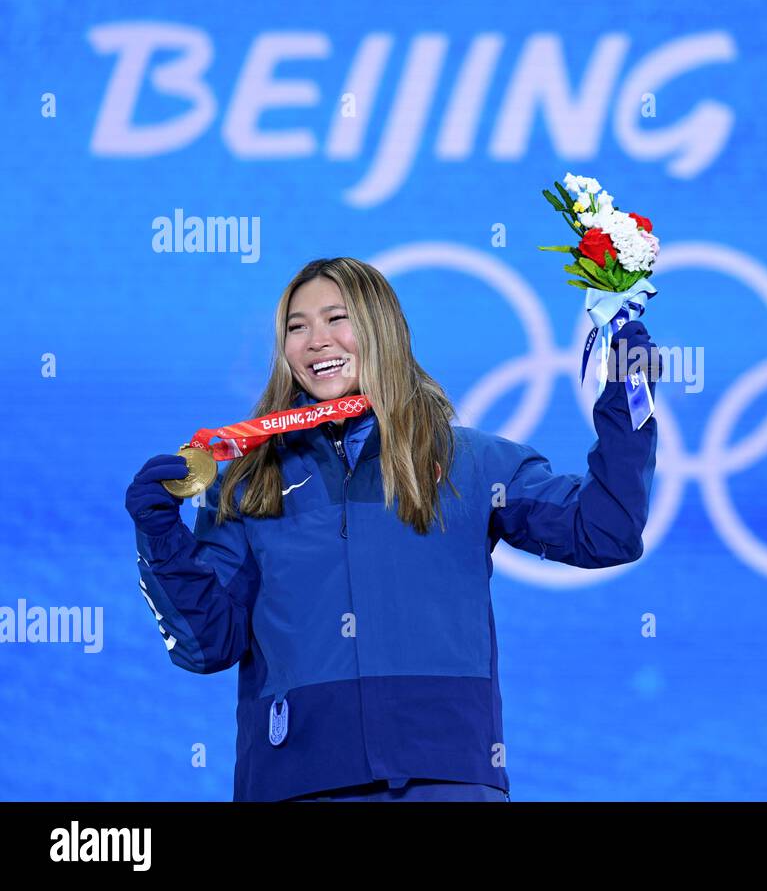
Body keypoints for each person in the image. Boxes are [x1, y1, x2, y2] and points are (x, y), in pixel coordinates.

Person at [124, 257, 657, 802]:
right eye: (296, 327)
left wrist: (629, 381)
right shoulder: (249, 482)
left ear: (381, 328)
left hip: (444, 778)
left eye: (337, 318)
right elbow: (207, 644)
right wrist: (161, 536)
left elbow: (605, 531)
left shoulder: (473, 464)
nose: (317, 341)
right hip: (297, 781)